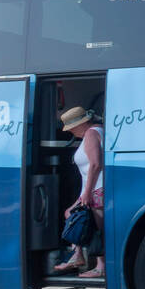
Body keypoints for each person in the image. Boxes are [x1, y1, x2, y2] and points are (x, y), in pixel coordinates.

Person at [55, 106, 106, 278]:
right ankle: (78, 256)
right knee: (70, 214)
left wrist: (87, 192)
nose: (70, 132)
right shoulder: (97, 131)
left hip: (97, 189)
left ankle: (100, 266)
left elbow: (95, 164)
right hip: (92, 188)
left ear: (80, 124)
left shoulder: (91, 134)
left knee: (98, 228)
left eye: (71, 128)